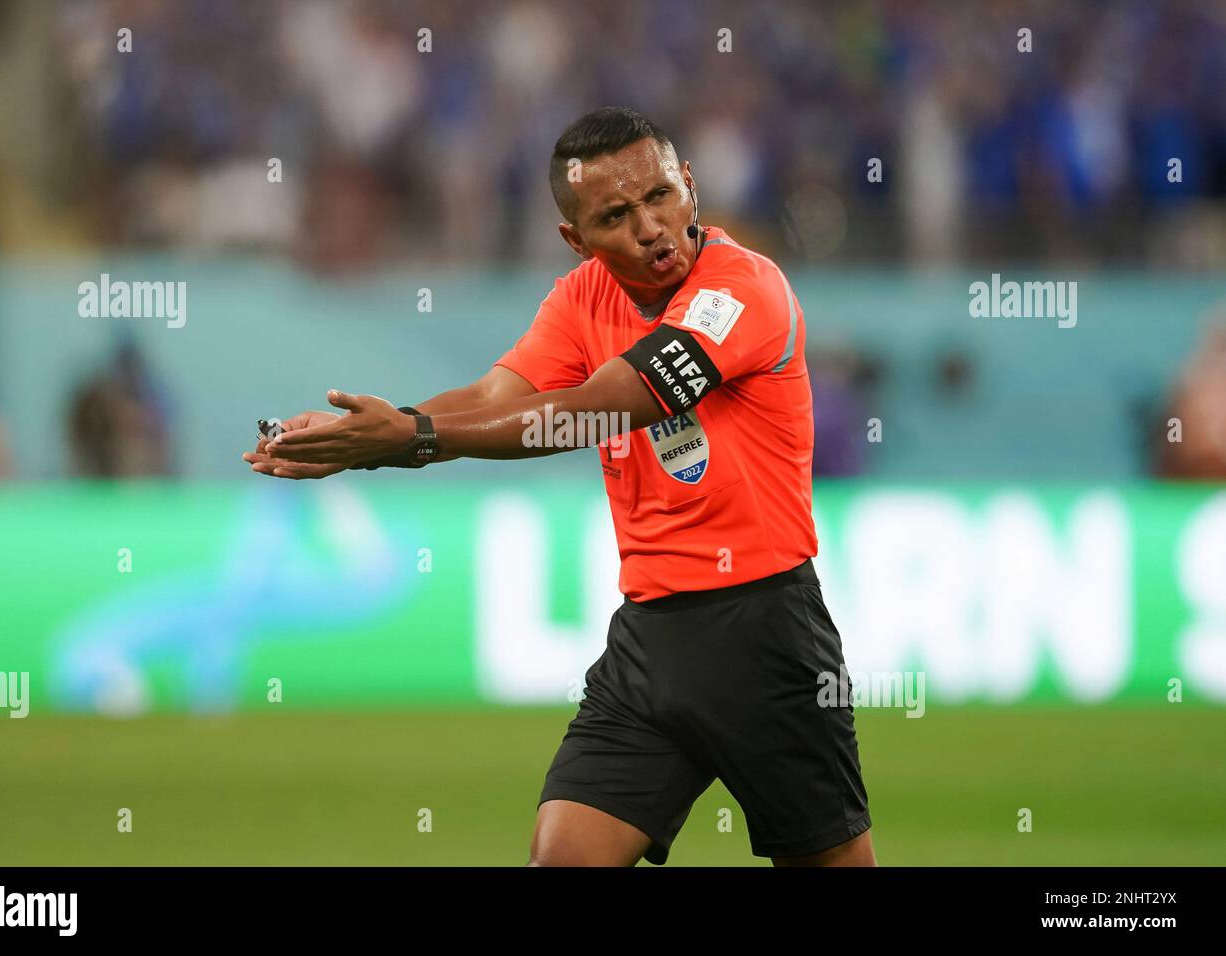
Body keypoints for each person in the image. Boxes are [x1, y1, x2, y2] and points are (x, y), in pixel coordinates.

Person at [244, 107, 874, 867]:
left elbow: (600, 406)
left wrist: (411, 439)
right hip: (648, 642)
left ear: (690, 187)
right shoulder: (582, 299)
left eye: (662, 196)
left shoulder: (743, 291)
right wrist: (371, 438)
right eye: (617, 215)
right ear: (577, 239)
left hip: (766, 634)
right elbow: (493, 400)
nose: (651, 226)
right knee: (563, 861)